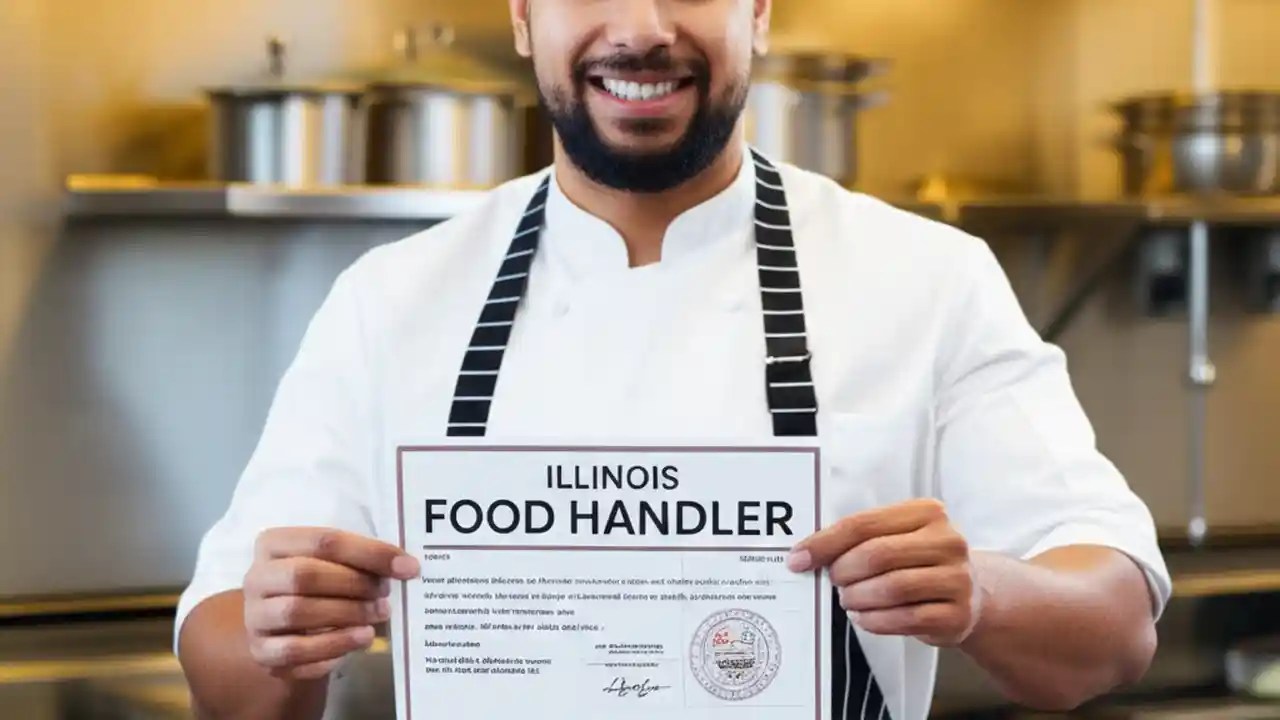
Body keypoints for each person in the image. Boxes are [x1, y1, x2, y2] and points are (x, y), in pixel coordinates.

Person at [175, 1, 1170, 718]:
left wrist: (978, 594)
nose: (642, 24)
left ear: (760, 13)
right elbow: (224, 667)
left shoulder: (927, 279)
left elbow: (1112, 630)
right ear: (523, 16)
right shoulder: (390, 299)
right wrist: (277, 632)